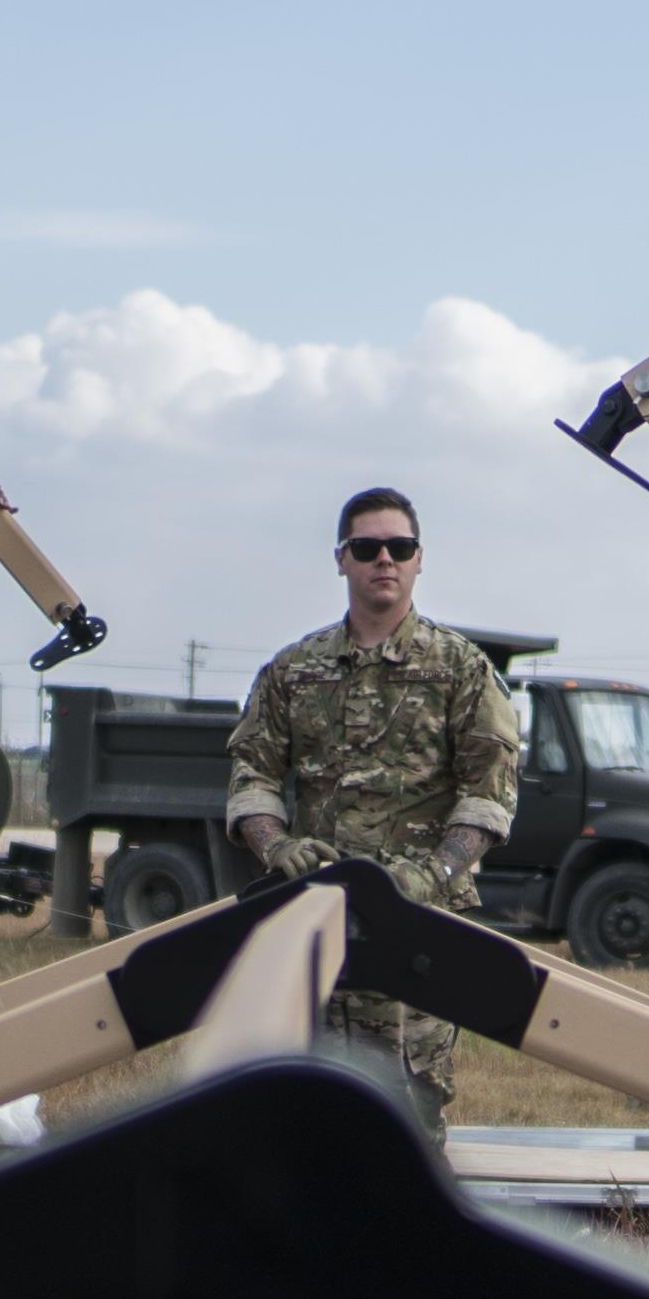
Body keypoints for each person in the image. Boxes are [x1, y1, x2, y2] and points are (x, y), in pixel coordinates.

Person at [223, 487, 525, 1139]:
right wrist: (276, 848)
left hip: (416, 934)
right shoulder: (293, 670)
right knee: (301, 1112)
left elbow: (488, 793)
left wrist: (434, 874)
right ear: (341, 560)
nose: (383, 559)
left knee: (407, 1116)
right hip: (310, 924)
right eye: (366, 548)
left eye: (399, 547)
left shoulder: (460, 669)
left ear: (419, 560)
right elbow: (253, 775)